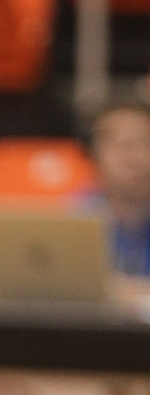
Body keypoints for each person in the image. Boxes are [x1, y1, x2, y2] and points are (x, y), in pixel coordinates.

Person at [87, 98, 150, 302]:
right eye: (119, 144)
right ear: (95, 154)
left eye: (144, 142)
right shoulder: (71, 219)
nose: (132, 157)